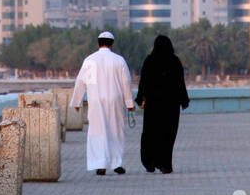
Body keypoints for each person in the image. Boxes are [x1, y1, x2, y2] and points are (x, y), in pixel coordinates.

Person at [70, 31, 135, 175]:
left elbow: (81, 81)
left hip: (96, 101)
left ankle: (100, 165)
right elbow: (126, 82)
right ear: (112, 44)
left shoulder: (90, 60)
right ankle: (116, 163)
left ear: (98, 43)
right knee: (116, 131)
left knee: (97, 131)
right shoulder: (119, 60)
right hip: (115, 101)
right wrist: (129, 103)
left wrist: (76, 101)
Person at [136, 34, 190, 174]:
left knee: (150, 133)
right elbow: (180, 83)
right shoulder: (175, 61)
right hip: (170, 105)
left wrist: (140, 98)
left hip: (153, 105)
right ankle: (165, 164)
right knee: (168, 134)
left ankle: (149, 162)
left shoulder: (149, 61)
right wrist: (184, 101)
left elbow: (143, 82)